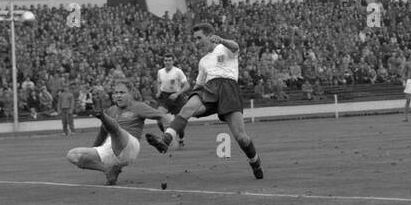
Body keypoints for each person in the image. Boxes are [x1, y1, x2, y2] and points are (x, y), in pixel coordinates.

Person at [147, 23, 264, 180]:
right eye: (195, 39)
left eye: (199, 38)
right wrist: (186, 94)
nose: (196, 42)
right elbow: (199, 84)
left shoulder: (224, 48)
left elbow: (236, 46)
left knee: (241, 137)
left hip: (228, 88)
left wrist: (221, 39)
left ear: (210, 36)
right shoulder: (203, 61)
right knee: (187, 108)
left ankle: (254, 161)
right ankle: (165, 140)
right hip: (209, 88)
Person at [67, 81, 171, 185]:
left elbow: (163, 116)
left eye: (122, 92)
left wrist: (165, 137)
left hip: (130, 145)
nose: (118, 96)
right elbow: (102, 133)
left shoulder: (139, 106)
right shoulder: (111, 110)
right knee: (73, 155)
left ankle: (101, 115)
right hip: (110, 148)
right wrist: (93, 152)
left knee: (116, 130)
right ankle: (109, 170)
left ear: (130, 93)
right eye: (116, 93)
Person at [154, 54, 189, 146]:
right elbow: (158, 82)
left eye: (169, 60)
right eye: (166, 60)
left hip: (177, 98)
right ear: (163, 62)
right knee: (158, 118)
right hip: (164, 97)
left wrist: (177, 94)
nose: (167, 62)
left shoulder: (178, 71)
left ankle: (181, 139)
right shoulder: (160, 72)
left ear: (173, 61)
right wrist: (158, 91)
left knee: (179, 124)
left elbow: (187, 86)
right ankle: (164, 136)